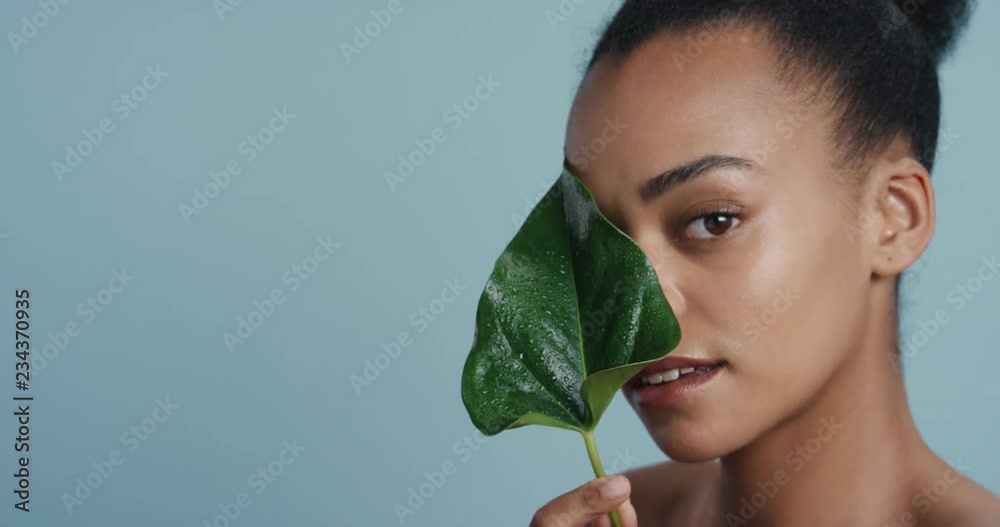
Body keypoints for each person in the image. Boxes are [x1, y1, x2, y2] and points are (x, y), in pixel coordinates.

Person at [530, 0, 1000, 525]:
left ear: (895, 217)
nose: (626, 308)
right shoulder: (622, 513)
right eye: (599, 240)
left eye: (713, 221)